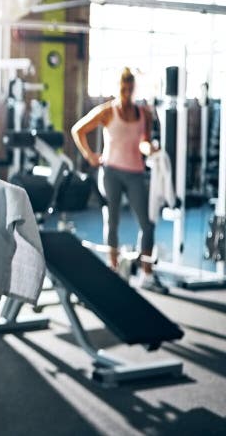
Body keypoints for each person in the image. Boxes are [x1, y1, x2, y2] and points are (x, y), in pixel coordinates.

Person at [71, 67, 167, 293]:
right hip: (111, 171)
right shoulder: (107, 112)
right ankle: (113, 269)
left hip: (134, 172)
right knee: (112, 220)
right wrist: (90, 156)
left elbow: (143, 141)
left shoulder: (143, 114)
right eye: (123, 89)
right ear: (118, 89)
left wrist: (150, 148)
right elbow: (78, 130)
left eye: (130, 89)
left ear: (134, 90)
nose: (127, 93)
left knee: (147, 223)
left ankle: (146, 274)